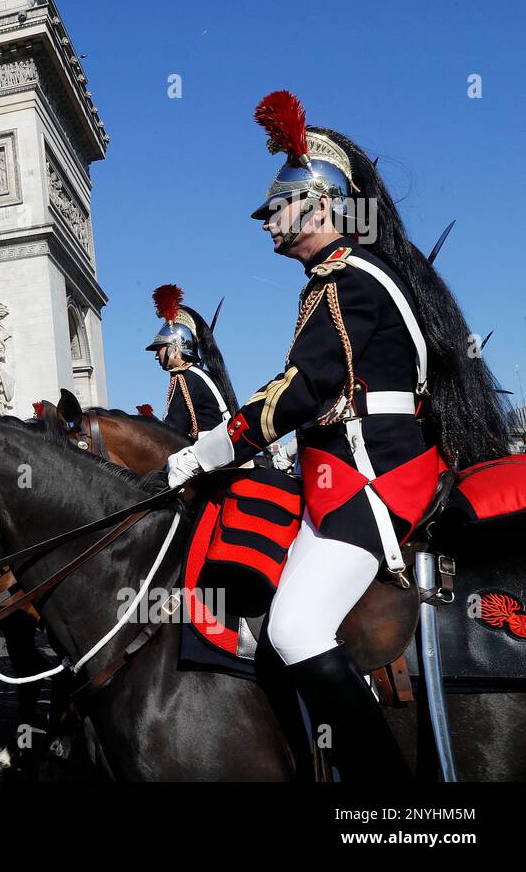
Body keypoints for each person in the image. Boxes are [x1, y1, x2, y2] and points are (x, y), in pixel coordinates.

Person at [162, 91, 510, 779]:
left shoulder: (351, 280)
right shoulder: (334, 281)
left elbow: (304, 390)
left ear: (321, 205)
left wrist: (210, 449)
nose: (266, 225)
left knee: (294, 629)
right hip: (339, 476)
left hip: (374, 481)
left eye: (276, 210)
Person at [146, 285, 236, 441]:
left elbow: (174, 429)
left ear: (174, 347)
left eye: (158, 349)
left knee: (175, 465)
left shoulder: (185, 376)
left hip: (210, 447)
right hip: (215, 443)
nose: (156, 356)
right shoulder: (195, 373)